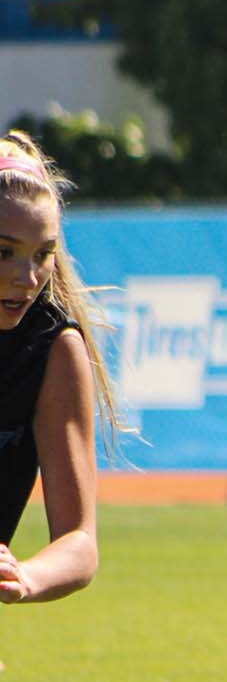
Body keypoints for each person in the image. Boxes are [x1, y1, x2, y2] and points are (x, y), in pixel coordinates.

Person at [0, 131, 119, 608]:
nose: (26, 277)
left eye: (42, 254)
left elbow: (79, 542)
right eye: (3, 251)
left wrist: (22, 576)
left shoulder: (51, 349)